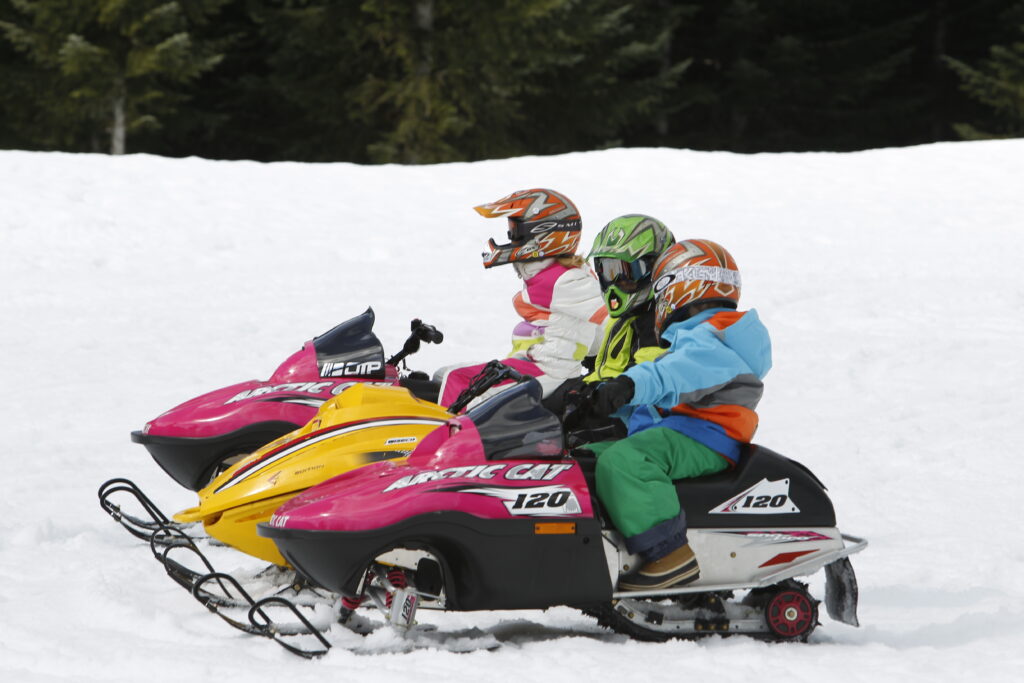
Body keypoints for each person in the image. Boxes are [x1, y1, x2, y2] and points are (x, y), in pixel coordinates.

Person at [579, 239, 772, 590]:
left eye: (660, 289)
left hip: (706, 436)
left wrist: (626, 386)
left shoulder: (717, 337)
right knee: (588, 459)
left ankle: (667, 553)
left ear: (680, 286)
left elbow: (673, 376)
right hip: (682, 430)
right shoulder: (698, 335)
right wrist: (590, 402)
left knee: (625, 461)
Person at [437, 188, 607, 407]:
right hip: (535, 364)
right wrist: (594, 352)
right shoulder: (553, 273)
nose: (510, 238)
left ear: (542, 236)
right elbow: (591, 324)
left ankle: (446, 438)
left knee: (457, 379)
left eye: (516, 232)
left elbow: (608, 316)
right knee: (450, 376)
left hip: (546, 371)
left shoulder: (563, 280)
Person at [542, 214, 675, 425]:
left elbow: (644, 375)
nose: (615, 284)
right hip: (604, 405)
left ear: (656, 268)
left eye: (625, 273)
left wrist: (599, 393)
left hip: (629, 420)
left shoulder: (658, 320)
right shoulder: (626, 315)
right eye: (608, 271)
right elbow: (614, 363)